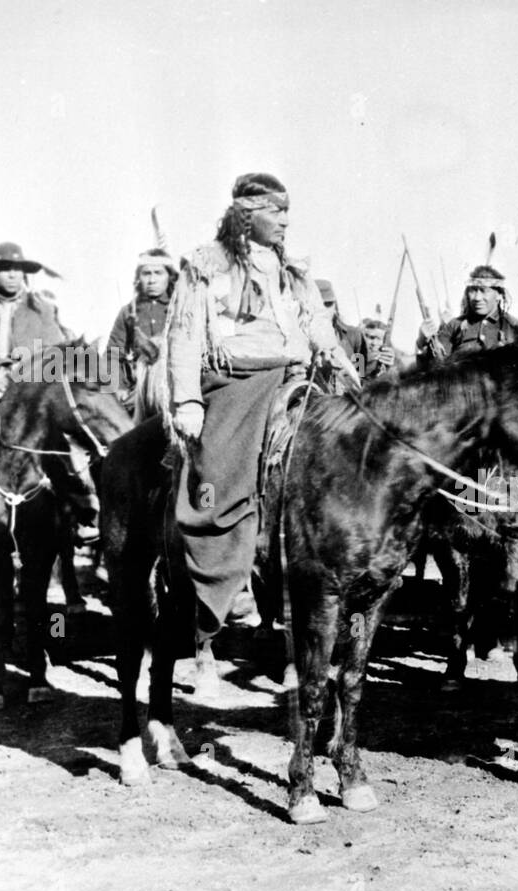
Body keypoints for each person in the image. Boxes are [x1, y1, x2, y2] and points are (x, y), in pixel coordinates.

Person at [165, 171, 359, 651]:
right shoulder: (207, 265)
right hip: (235, 381)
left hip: (296, 375)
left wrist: (339, 360)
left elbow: (315, 319)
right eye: (277, 211)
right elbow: (185, 334)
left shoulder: (292, 267)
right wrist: (187, 401)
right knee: (221, 470)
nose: (286, 222)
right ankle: (227, 577)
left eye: (288, 211)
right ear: (247, 216)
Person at [0, 241, 66, 380]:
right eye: (5, 269)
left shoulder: (41, 309)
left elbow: (55, 352)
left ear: (24, 273)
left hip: (27, 388)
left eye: (17, 269)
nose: (12, 275)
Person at [415, 264, 518, 368]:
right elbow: (435, 367)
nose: (477, 298)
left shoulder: (515, 327)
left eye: (484, 291)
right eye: (473, 291)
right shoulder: (454, 326)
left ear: (498, 295)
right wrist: (422, 342)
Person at [106, 248, 176, 402]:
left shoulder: (180, 308)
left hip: (176, 383)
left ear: (169, 276)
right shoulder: (128, 312)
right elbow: (113, 354)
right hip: (140, 390)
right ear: (138, 278)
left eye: (158, 273)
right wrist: (119, 387)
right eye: (146, 273)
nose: (152, 280)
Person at [315, 278, 369, 389]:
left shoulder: (354, 336)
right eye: (318, 305)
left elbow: (362, 373)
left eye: (328, 304)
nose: (323, 310)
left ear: (335, 306)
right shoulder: (299, 339)